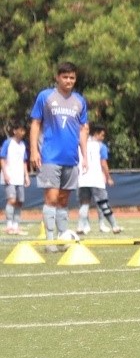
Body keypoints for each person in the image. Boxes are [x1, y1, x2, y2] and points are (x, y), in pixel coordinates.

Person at [29, 61, 89, 251]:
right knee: (52, 198)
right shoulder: (45, 97)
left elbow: (82, 130)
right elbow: (35, 124)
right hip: (50, 156)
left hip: (71, 158)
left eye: (72, 77)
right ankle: (49, 242)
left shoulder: (79, 101)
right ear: (57, 77)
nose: (68, 80)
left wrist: (85, 155)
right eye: (65, 77)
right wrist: (33, 150)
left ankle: (62, 238)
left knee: (64, 200)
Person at [77, 124, 122, 234]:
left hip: (82, 179)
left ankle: (80, 227)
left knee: (84, 204)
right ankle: (115, 226)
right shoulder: (100, 146)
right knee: (104, 203)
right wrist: (108, 177)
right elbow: (103, 164)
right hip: (96, 179)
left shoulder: (78, 145)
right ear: (95, 133)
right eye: (101, 135)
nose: (103, 137)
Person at [1, 122, 31, 236]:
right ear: (15, 131)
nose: (23, 132)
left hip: (20, 178)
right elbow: (2, 158)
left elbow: (24, 161)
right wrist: (5, 173)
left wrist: (26, 175)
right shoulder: (8, 143)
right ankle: (9, 225)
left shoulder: (23, 144)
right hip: (10, 176)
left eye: (24, 130)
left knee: (19, 202)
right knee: (12, 200)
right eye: (21, 130)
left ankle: (16, 226)